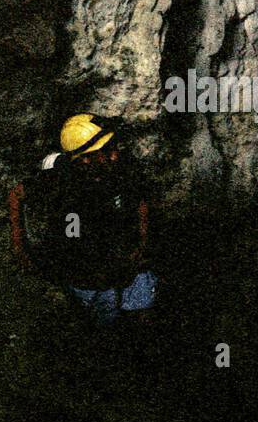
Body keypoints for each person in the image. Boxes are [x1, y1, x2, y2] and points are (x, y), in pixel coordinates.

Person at [8, 114, 157, 327]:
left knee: (142, 313)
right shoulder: (63, 181)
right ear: (84, 159)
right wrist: (19, 245)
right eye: (105, 151)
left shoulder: (118, 168)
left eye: (112, 147)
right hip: (88, 277)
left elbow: (140, 197)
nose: (114, 155)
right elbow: (17, 194)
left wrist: (142, 239)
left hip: (125, 260)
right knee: (103, 323)